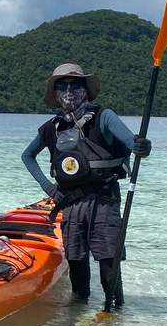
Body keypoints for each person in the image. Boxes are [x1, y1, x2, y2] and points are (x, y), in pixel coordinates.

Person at [21, 63, 151, 306]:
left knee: (109, 266)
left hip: (104, 201)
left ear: (86, 90)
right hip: (70, 204)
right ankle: (78, 316)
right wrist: (48, 188)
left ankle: (113, 315)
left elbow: (131, 142)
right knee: (77, 268)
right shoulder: (51, 127)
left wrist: (142, 147)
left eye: (76, 85)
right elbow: (27, 156)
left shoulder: (104, 117)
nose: (69, 91)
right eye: (62, 86)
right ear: (56, 94)